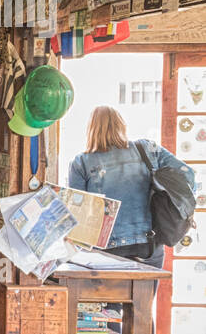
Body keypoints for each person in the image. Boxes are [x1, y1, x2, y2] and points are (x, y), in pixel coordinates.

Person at [68, 106, 195, 268]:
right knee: (145, 293)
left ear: (91, 130)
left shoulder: (80, 163)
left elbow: (77, 213)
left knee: (106, 294)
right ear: (122, 125)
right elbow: (187, 175)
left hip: (105, 251)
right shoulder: (147, 149)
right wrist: (178, 207)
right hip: (148, 245)